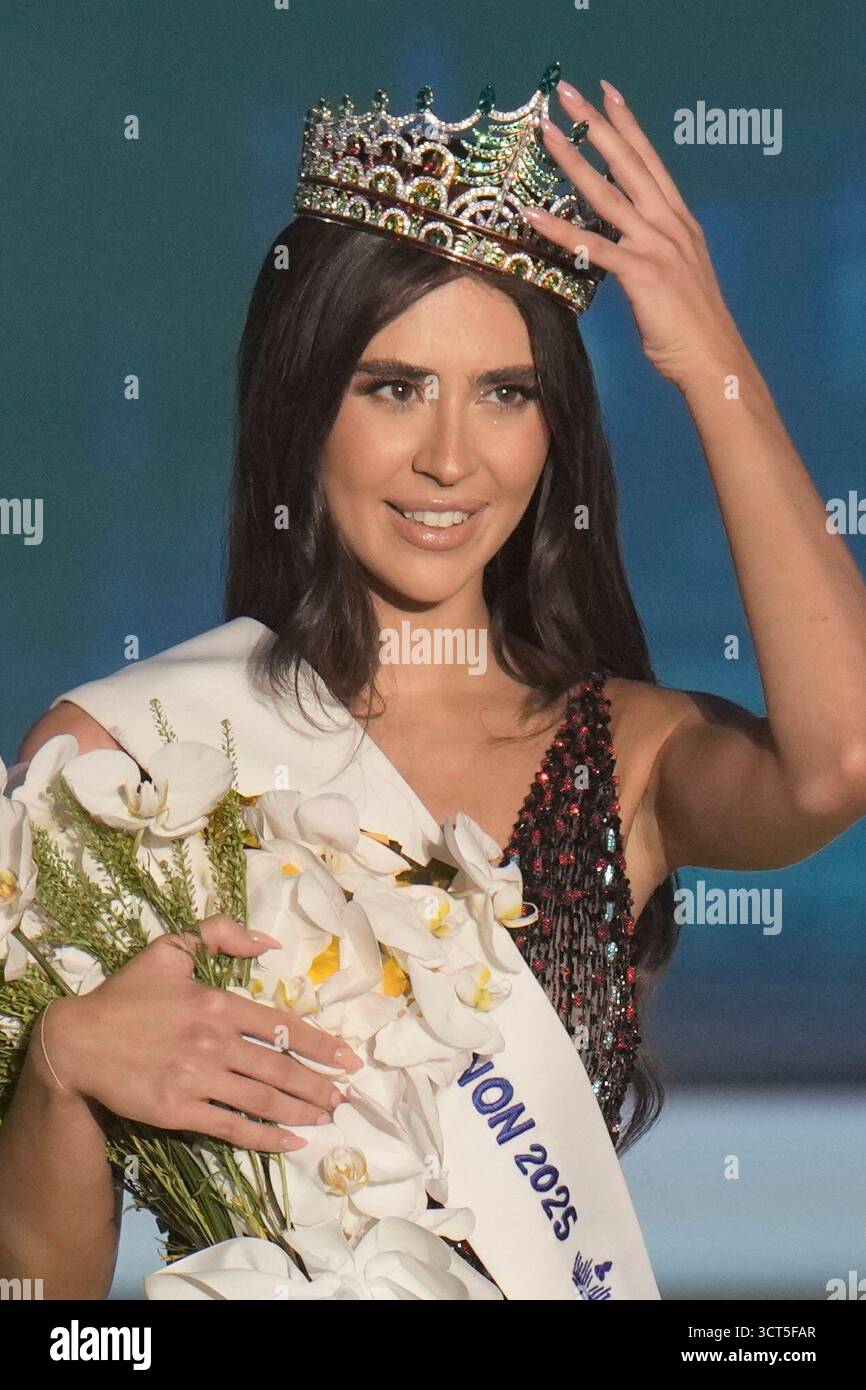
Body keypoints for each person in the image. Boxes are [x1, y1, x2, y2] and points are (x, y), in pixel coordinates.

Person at [2, 71, 866, 1301]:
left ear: (552, 428)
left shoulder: (619, 757)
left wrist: (713, 364)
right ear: (304, 405)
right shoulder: (124, 757)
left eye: (504, 394)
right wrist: (59, 1069)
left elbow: (842, 760)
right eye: (393, 387)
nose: (451, 458)